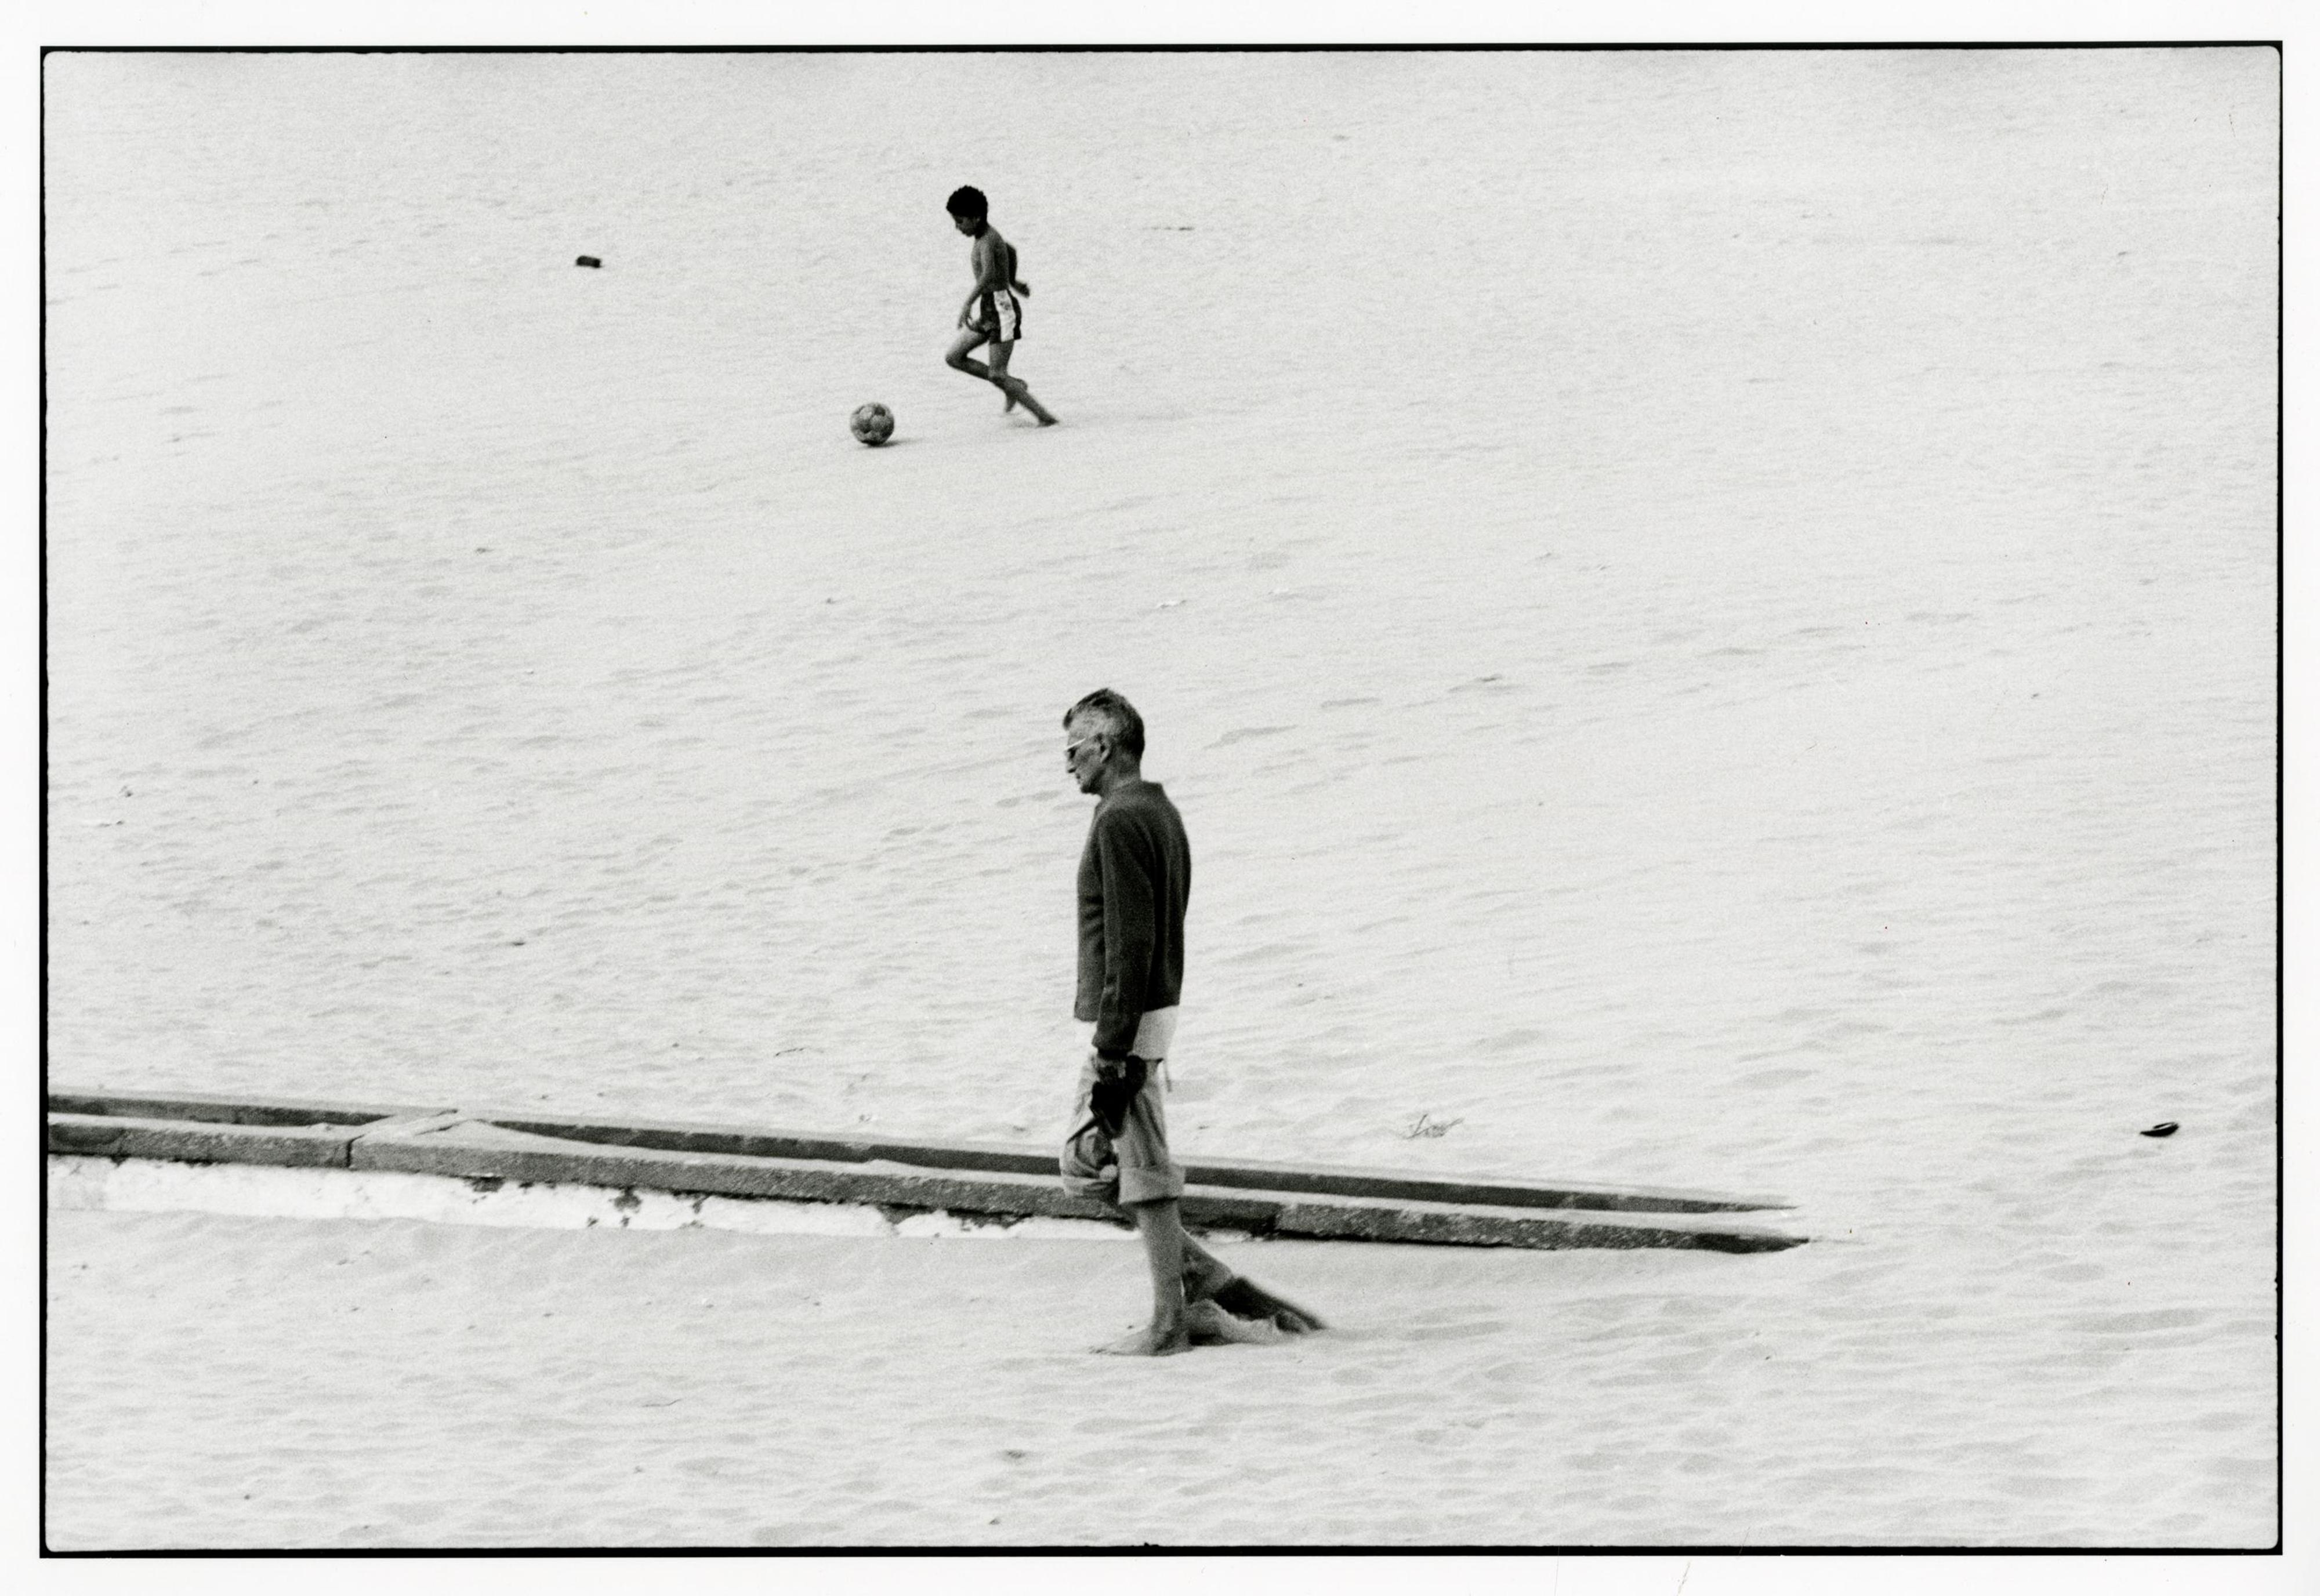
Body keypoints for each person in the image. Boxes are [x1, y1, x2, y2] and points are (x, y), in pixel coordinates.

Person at [1058, 688, 1324, 1355]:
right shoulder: (1158, 809)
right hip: (1156, 1008)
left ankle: (1173, 1321)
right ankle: (1208, 1281)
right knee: (1094, 1162)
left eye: (1073, 750)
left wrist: (1113, 1051)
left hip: (1133, 1019)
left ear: (1107, 745)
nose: (1066, 765)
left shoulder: (1120, 819)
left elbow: (1131, 942)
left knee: (1126, 1166)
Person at [944, 185, 1057, 427]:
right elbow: (1011, 250)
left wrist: (967, 303)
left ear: (977, 217)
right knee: (954, 357)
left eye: (961, 221)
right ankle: (1013, 385)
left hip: (1002, 310)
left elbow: (986, 275)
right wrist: (1013, 280)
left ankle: (1046, 419)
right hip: (989, 308)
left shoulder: (987, 240)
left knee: (997, 374)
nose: (957, 227)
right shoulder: (986, 237)